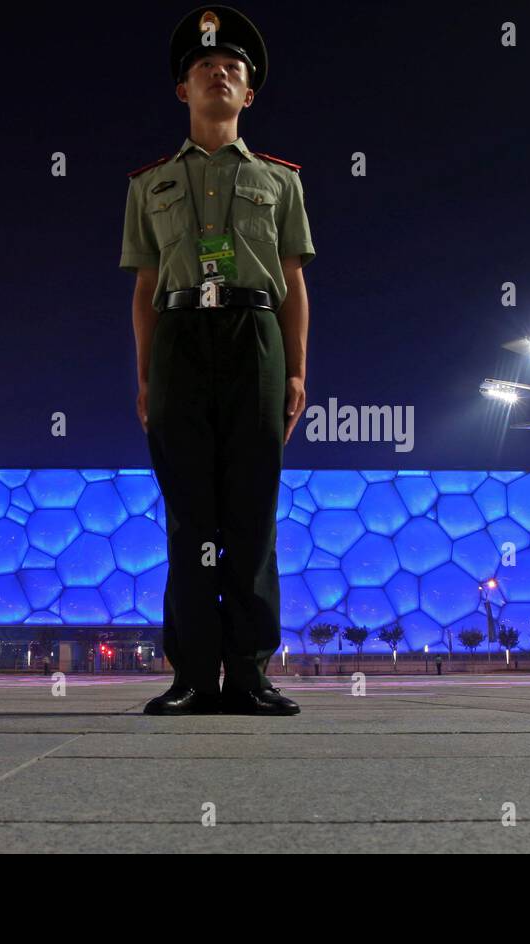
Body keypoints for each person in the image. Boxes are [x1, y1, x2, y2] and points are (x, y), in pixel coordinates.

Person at [121, 6, 315, 716]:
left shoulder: (282, 180)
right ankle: (196, 675)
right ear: (184, 90)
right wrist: (145, 377)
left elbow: (293, 281)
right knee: (189, 514)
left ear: (249, 93)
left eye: (233, 69)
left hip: (254, 337)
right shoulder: (148, 185)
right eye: (206, 67)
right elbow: (144, 287)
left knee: (252, 510)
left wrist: (294, 373)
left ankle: (251, 672)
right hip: (178, 337)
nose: (220, 73)